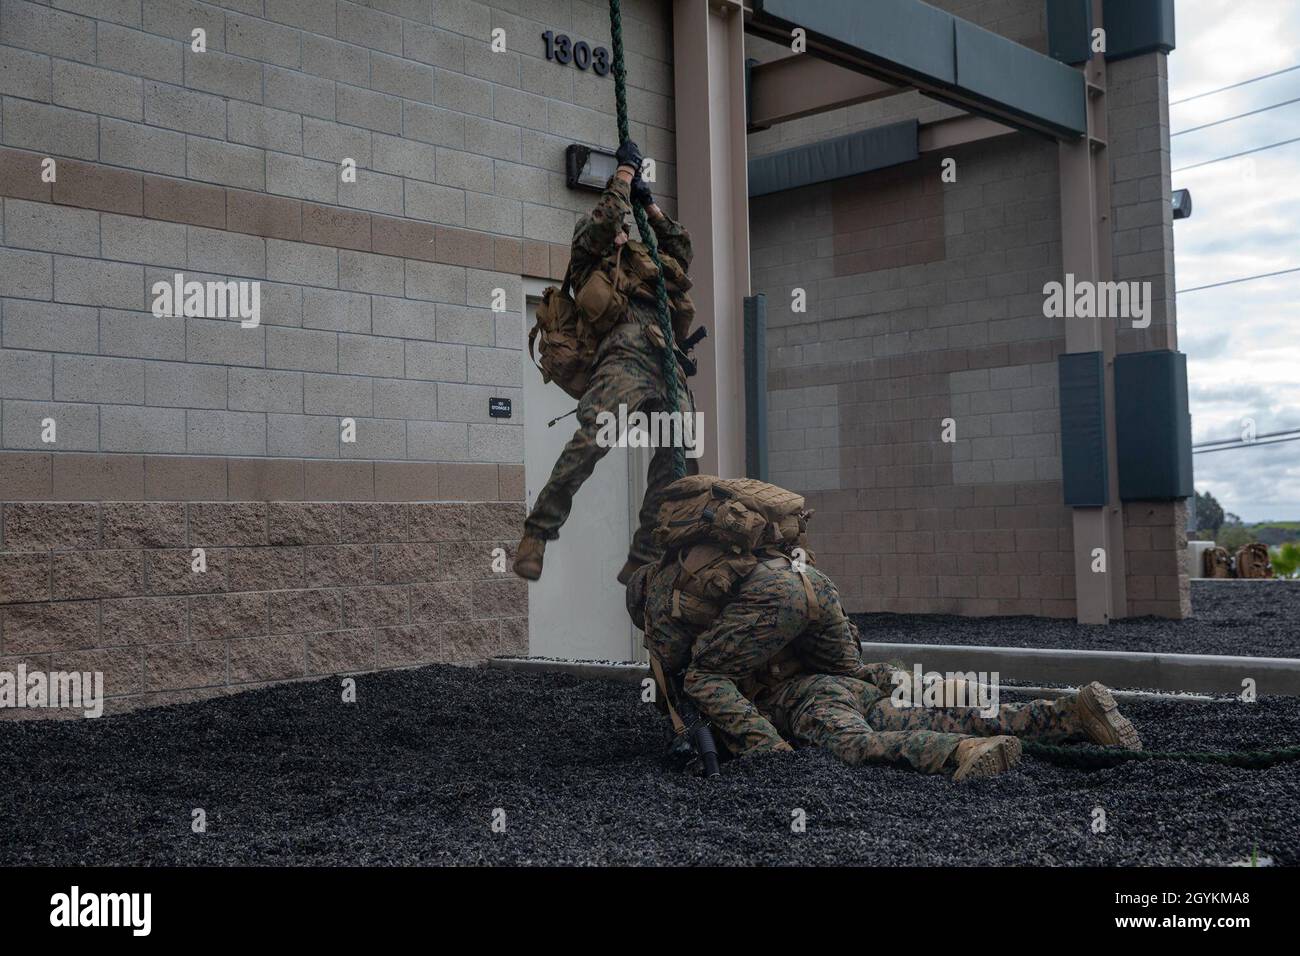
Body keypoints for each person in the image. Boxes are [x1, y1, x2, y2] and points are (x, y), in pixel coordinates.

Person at [628, 556, 1143, 781]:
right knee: (931, 716)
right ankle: (1068, 713)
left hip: (810, 701)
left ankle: (961, 754)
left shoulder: (679, 617)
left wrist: (769, 752)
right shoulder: (737, 580)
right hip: (847, 676)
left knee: (858, 746)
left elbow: (690, 695)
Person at [515, 140, 697, 585]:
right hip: (625, 353)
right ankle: (537, 532)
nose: (620, 229)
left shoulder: (647, 255)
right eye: (617, 225)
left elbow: (682, 248)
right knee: (593, 438)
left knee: (681, 454)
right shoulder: (587, 255)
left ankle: (645, 551)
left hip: (666, 357)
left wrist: (649, 204)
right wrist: (623, 176)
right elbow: (603, 221)